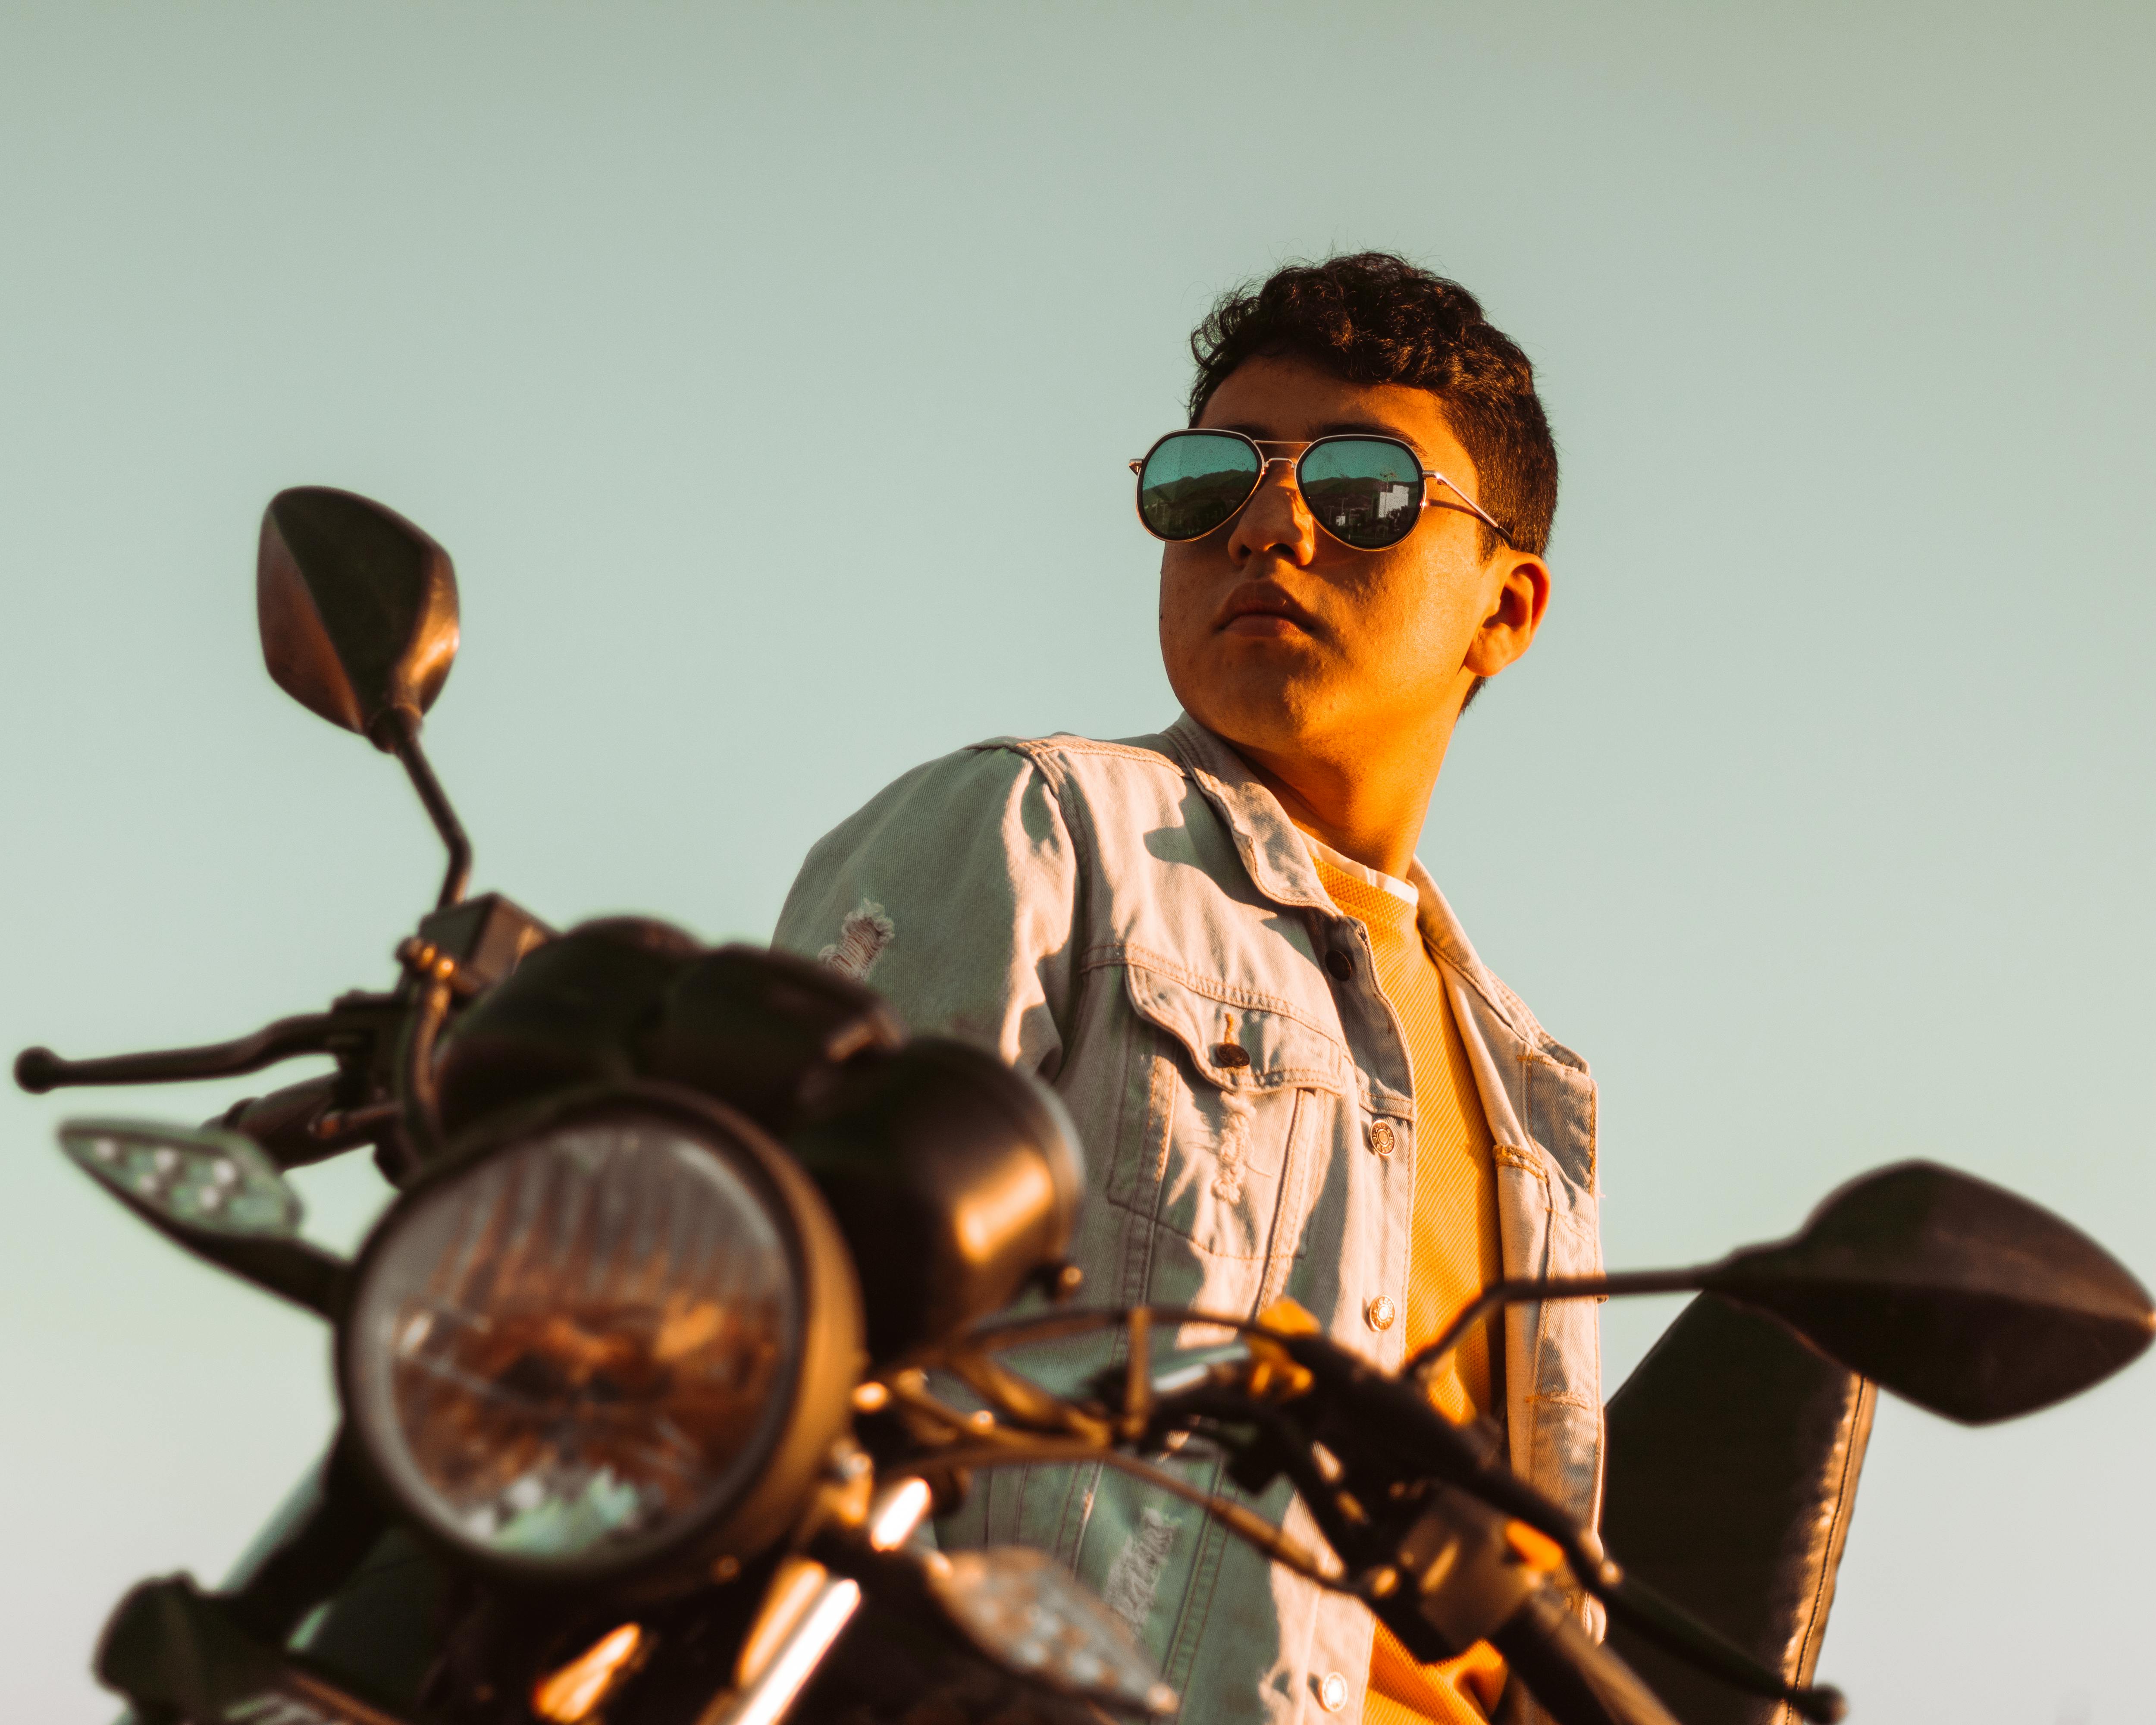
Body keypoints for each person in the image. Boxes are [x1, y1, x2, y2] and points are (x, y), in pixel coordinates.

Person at [773, 252, 1601, 1725]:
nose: (1267, 525)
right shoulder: (1043, 831)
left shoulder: (1534, 1098)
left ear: (1507, 607)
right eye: (1211, 480)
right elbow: (767, 1338)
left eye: (1362, 488)